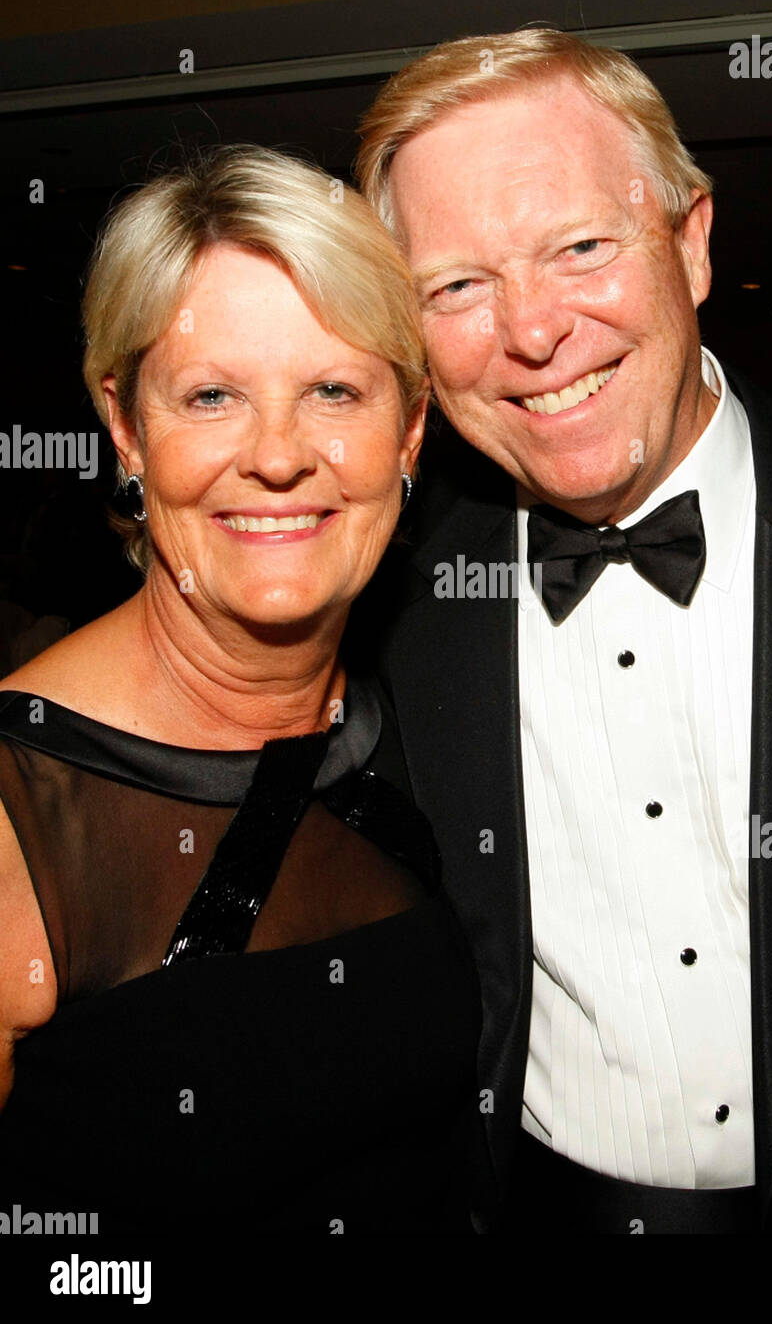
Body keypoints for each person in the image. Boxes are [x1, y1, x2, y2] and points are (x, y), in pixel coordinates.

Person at [354, 28, 772, 1234]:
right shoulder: (391, 594)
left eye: (579, 247)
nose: (531, 333)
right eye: (457, 287)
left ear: (688, 242)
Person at [0, 145, 482, 1234]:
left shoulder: (417, 704)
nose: (277, 455)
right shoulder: (22, 817)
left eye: (334, 391)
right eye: (211, 394)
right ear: (125, 426)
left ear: (406, 431)